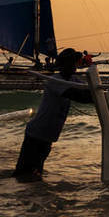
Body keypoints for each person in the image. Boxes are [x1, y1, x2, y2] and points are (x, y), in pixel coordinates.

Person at [12, 48, 92, 181]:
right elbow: (78, 96)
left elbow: (86, 92)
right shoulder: (56, 80)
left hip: (48, 136)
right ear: (63, 65)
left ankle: (31, 198)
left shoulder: (73, 79)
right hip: (36, 134)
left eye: (74, 63)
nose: (74, 66)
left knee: (35, 173)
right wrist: (94, 96)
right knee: (24, 173)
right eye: (70, 63)